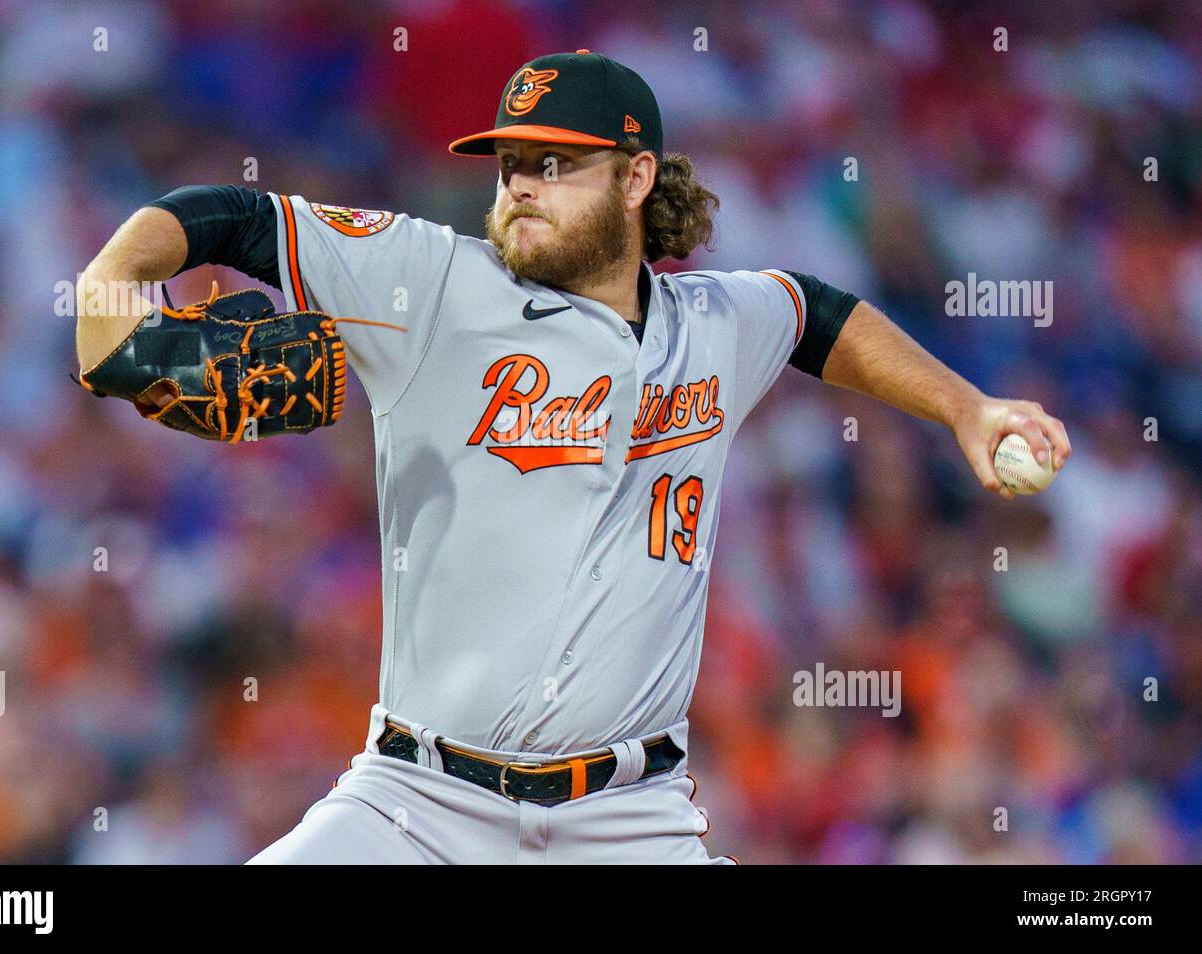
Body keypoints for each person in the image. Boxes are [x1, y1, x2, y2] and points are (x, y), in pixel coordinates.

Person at [74, 51, 1071, 864]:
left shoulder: (717, 322)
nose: (519, 186)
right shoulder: (433, 280)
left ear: (636, 179)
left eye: (555, 164)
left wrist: (967, 409)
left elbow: (815, 312)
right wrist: (117, 277)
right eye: (511, 162)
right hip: (417, 806)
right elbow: (234, 218)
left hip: (630, 820)